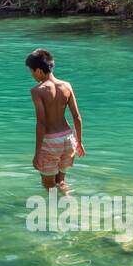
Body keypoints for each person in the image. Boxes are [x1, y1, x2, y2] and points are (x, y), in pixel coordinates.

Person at [26, 48, 85, 196]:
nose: (32, 75)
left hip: (51, 141)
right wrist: (79, 142)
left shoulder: (38, 91)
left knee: (48, 185)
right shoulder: (66, 86)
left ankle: (54, 214)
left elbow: (41, 123)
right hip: (68, 139)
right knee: (61, 182)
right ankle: (68, 203)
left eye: (32, 71)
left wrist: (37, 153)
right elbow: (77, 117)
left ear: (39, 71)